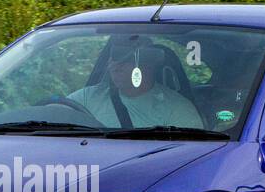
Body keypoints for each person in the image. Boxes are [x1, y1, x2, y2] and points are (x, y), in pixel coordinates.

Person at [67, 41, 203, 128]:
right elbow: (56, 112)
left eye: (126, 57)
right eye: (114, 55)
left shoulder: (177, 109)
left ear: (148, 65)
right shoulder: (88, 97)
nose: (116, 64)